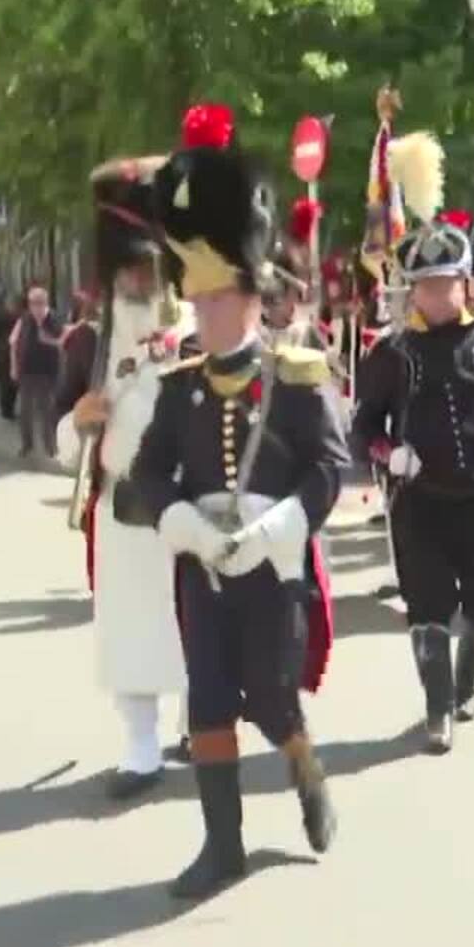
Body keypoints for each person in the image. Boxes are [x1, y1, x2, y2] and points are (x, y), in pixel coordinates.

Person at [130, 103, 343, 899]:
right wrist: (179, 520)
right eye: (198, 299)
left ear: (251, 297)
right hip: (205, 576)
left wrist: (278, 528)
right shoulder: (180, 388)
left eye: (217, 300)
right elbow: (151, 473)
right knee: (209, 704)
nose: (204, 312)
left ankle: (306, 769)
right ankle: (224, 847)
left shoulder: (295, 375)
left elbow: (327, 467)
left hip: (270, 567)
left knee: (271, 697)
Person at [352, 222, 474, 753]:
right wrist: (389, 454)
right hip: (421, 499)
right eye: (427, 285)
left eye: (448, 282)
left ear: (466, 284)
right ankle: (437, 708)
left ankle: (466, 683)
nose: (438, 294)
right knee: (427, 603)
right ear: (412, 290)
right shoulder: (390, 354)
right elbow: (363, 429)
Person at [54, 155, 195, 801]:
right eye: (130, 268)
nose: (140, 278)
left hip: (194, 498)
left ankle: (202, 720)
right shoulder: (87, 340)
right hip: (125, 504)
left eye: (149, 265)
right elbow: (63, 440)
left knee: (198, 619)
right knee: (133, 629)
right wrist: (78, 421)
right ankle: (141, 746)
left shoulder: (199, 327)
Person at [12, 286, 65, 459]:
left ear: (45, 302)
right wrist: (14, 366)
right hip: (27, 371)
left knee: (47, 411)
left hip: (46, 372)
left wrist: (46, 338)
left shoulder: (54, 318)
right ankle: (27, 445)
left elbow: (62, 341)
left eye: (38, 303)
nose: (35, 307)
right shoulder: (25, 318)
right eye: (32, 303)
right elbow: (14, 341)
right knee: (24, 410)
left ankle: (50, 447)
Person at [0, 294, 21, 421]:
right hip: (5, 355)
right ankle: (6, 409)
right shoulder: (1, 318)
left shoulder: (18, 318)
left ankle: (8, 409)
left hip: (8, 355)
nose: (13, 307)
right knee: (6, 385)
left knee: (10, 385)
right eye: (11, 305)